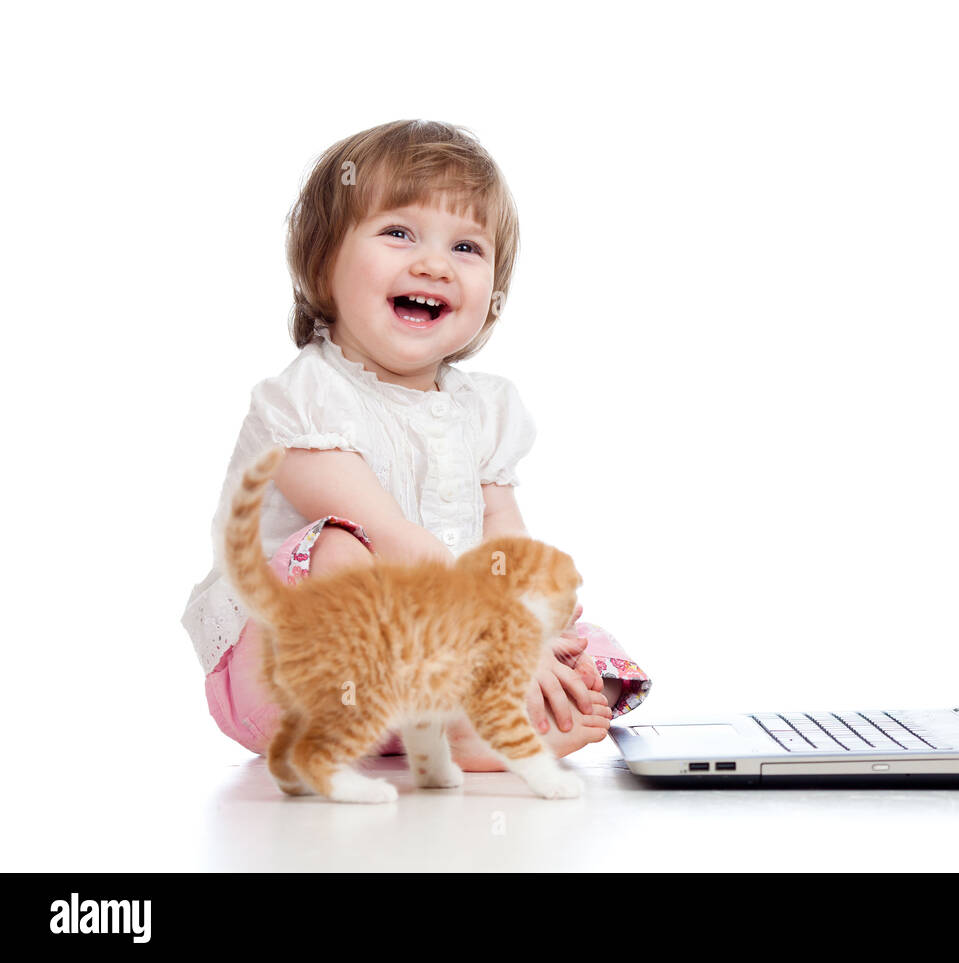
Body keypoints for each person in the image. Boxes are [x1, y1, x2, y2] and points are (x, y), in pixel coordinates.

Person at [182, 119, 650, 770]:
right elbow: (399, 544)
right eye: (399, 232)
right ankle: (463, 729)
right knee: (343, 551)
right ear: (324, 261)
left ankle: (473, 718)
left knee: (567, 625)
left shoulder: (486, 412)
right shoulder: (305, 400)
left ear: (493, 297)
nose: (432, 262)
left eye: (467, 247)